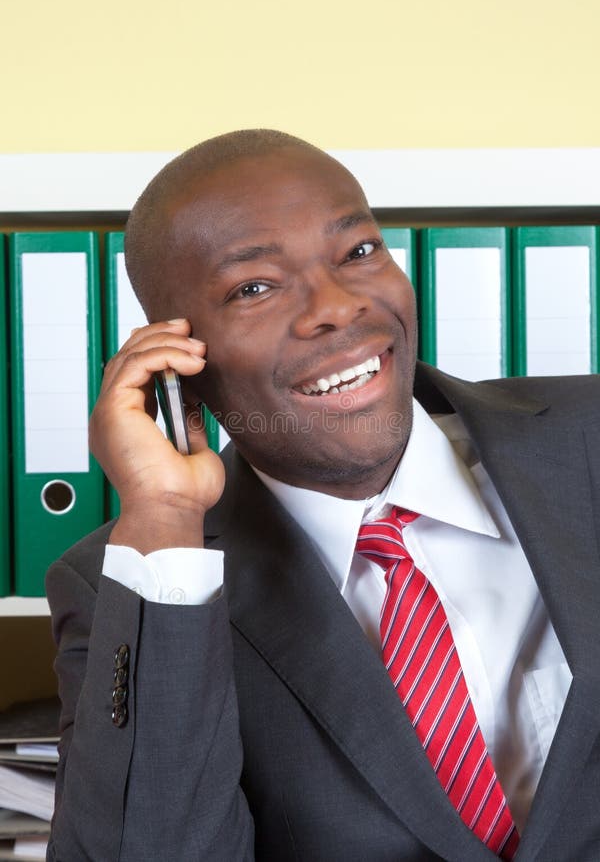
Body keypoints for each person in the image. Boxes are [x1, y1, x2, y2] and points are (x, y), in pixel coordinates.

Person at [45, 130, 600, 862]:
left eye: (359, 252)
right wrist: (167, 517)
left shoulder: (587, 445)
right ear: (181, 359)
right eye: (254, 288)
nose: (336, 307)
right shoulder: (139, 584)